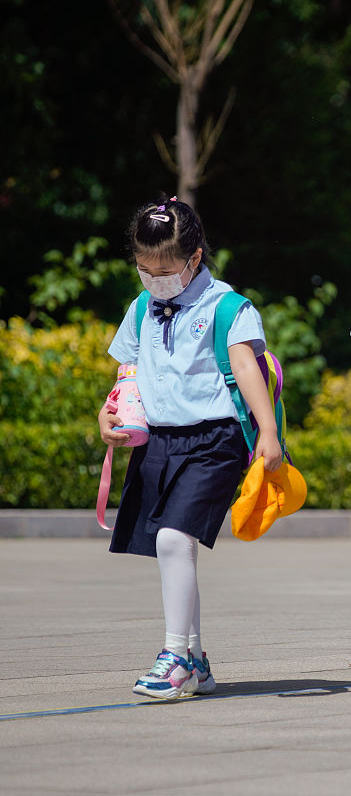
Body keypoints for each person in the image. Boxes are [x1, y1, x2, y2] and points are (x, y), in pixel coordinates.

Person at [100, 197, 283, 699]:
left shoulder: (227, 307)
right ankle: (197, 660)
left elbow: (247, 368)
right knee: (174, 549)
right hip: (159, 441)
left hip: (215, 440)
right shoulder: (140, 308)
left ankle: (176, 656)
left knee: (173, 541)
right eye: (143, 269)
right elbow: (128, 372)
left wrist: (268, 432)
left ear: (195, 258)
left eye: (165, 269)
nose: (154, 279)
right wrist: (109, 413)